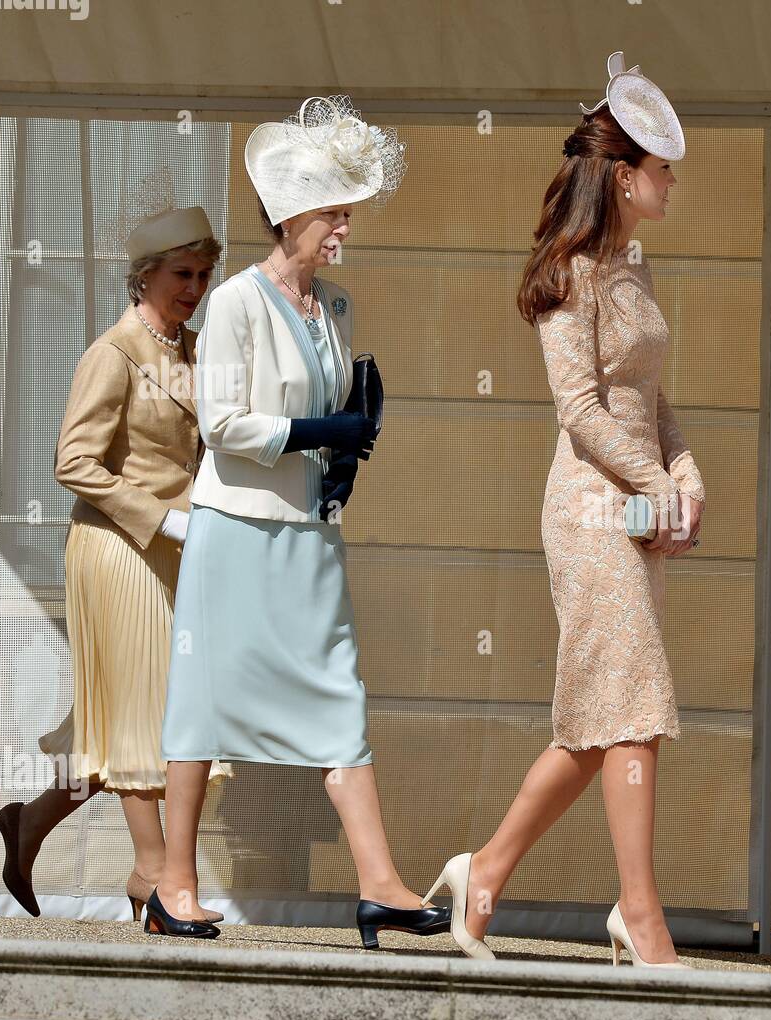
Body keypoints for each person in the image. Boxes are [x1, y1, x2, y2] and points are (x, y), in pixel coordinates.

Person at [422, 52, 706, 968]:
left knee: (601, 719)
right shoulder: (570, 270)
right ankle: (640, 913)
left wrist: (684, 467)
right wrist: (656, 485)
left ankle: (486, 872)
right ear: (626, 177)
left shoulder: (634, 265)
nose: (671, 182)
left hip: (636, 509)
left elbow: (649, 398)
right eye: (662, 169)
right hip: (588, 511)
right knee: (631, 711)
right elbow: (580, 411)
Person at [150, 95, 450, 946]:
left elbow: (333, 413)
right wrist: (319, 432)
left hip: (310, 533)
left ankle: (381, 883)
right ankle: (173, 886)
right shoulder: (239, 302)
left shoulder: (339, 306)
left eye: (347, 213)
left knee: (339, 696)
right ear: (288, 215)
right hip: (234, 530)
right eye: (332, 213)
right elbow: (221, 425)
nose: (343, 228)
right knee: (201, 703)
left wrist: (345, 456)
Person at [0, 204, 229, 923]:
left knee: (126, 712)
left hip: (178, 550)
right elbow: (74, 461)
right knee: (141, 712)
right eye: (182, 274)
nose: (195, 287)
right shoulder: (113, 351)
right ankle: (151, 873)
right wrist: (164, 518)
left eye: (204, 274)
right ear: (144, 275)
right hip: (116, 549)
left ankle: (28, 824)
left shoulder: (192, 351)